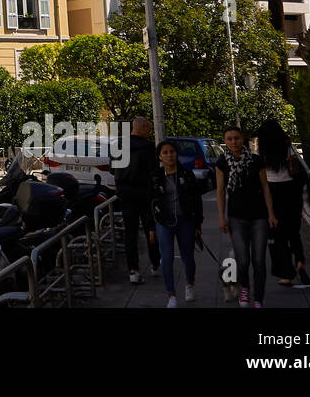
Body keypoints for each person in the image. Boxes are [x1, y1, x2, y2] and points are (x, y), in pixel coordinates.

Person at [215, 124, 277, 308]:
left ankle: (258, 298)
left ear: (243, 139)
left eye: (237, 138)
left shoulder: (256, 160)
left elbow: (266, 187)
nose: (234, 142)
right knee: (242, 261)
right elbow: (219, 190)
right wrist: (221, 216)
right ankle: (245, 288)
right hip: (236, 217)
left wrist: (271, 214)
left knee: (259, 260)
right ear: (225, 142)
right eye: (230, 139)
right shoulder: (222, 162)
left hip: (259, 216)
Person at [149, 139, 204, 307]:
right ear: (160, 156)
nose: (169, 155)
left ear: (176, 153)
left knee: (188, 256)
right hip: (163, 222)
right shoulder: (155, 177)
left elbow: (197, 200)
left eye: (171, 152)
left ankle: (189, 284)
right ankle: (171, 294)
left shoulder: (187, 175)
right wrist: (151, 228)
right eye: (165, 153)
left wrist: (197, 225)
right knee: (167, 257)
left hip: (185, 221)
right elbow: (149, 204)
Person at [258, 118, 310, 288]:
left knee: (277, 235)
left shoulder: (264, 151)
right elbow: (303, 169)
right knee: (294, 231)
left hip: (272, 191)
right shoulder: (287, 146)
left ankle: (286, 274)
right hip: (292, 191)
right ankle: (300, 260)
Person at [113, 116, 160, 284]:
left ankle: (133, 270)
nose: (150, 131)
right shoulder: (147, 147)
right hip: (144, 194)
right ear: (143, 128)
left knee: (130, 233)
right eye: (149, 128)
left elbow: (114, 169)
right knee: (151, 229)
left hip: (125, 193)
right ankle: (155, 263)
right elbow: (154, 172)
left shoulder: (118, 145)